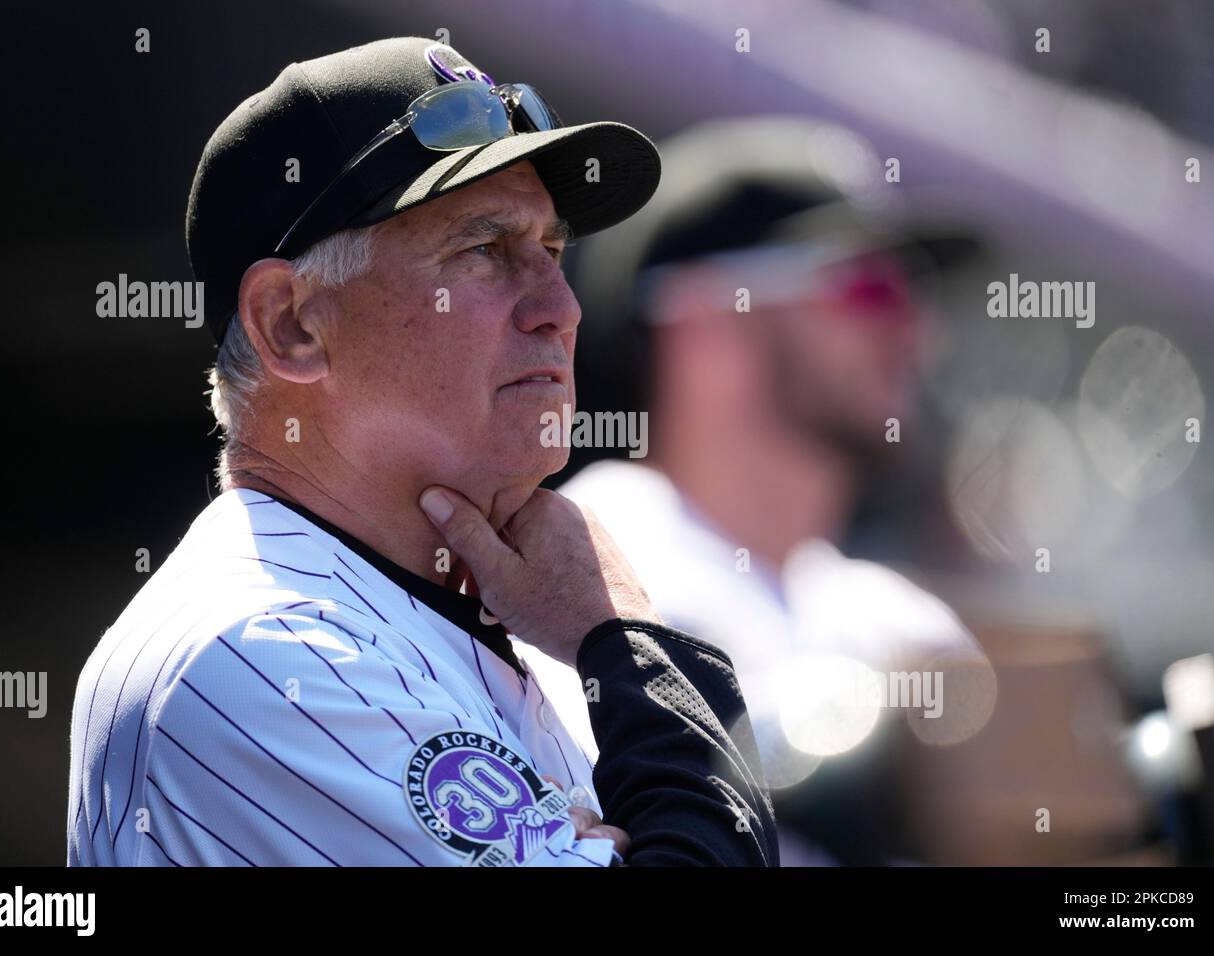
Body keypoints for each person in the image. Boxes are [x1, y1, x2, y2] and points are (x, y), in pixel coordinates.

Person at [66, 37, 778, 867]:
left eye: (550, 251)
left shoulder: (503, 629)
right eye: (482, 250)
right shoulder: (263, 646)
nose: (561, 307)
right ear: (292, 326)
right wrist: (625, 637)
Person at [548, 116, 988, 864]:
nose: (916, 328)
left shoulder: (909, 622)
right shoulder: (585, 559)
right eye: (869, 287)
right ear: (705, 318)